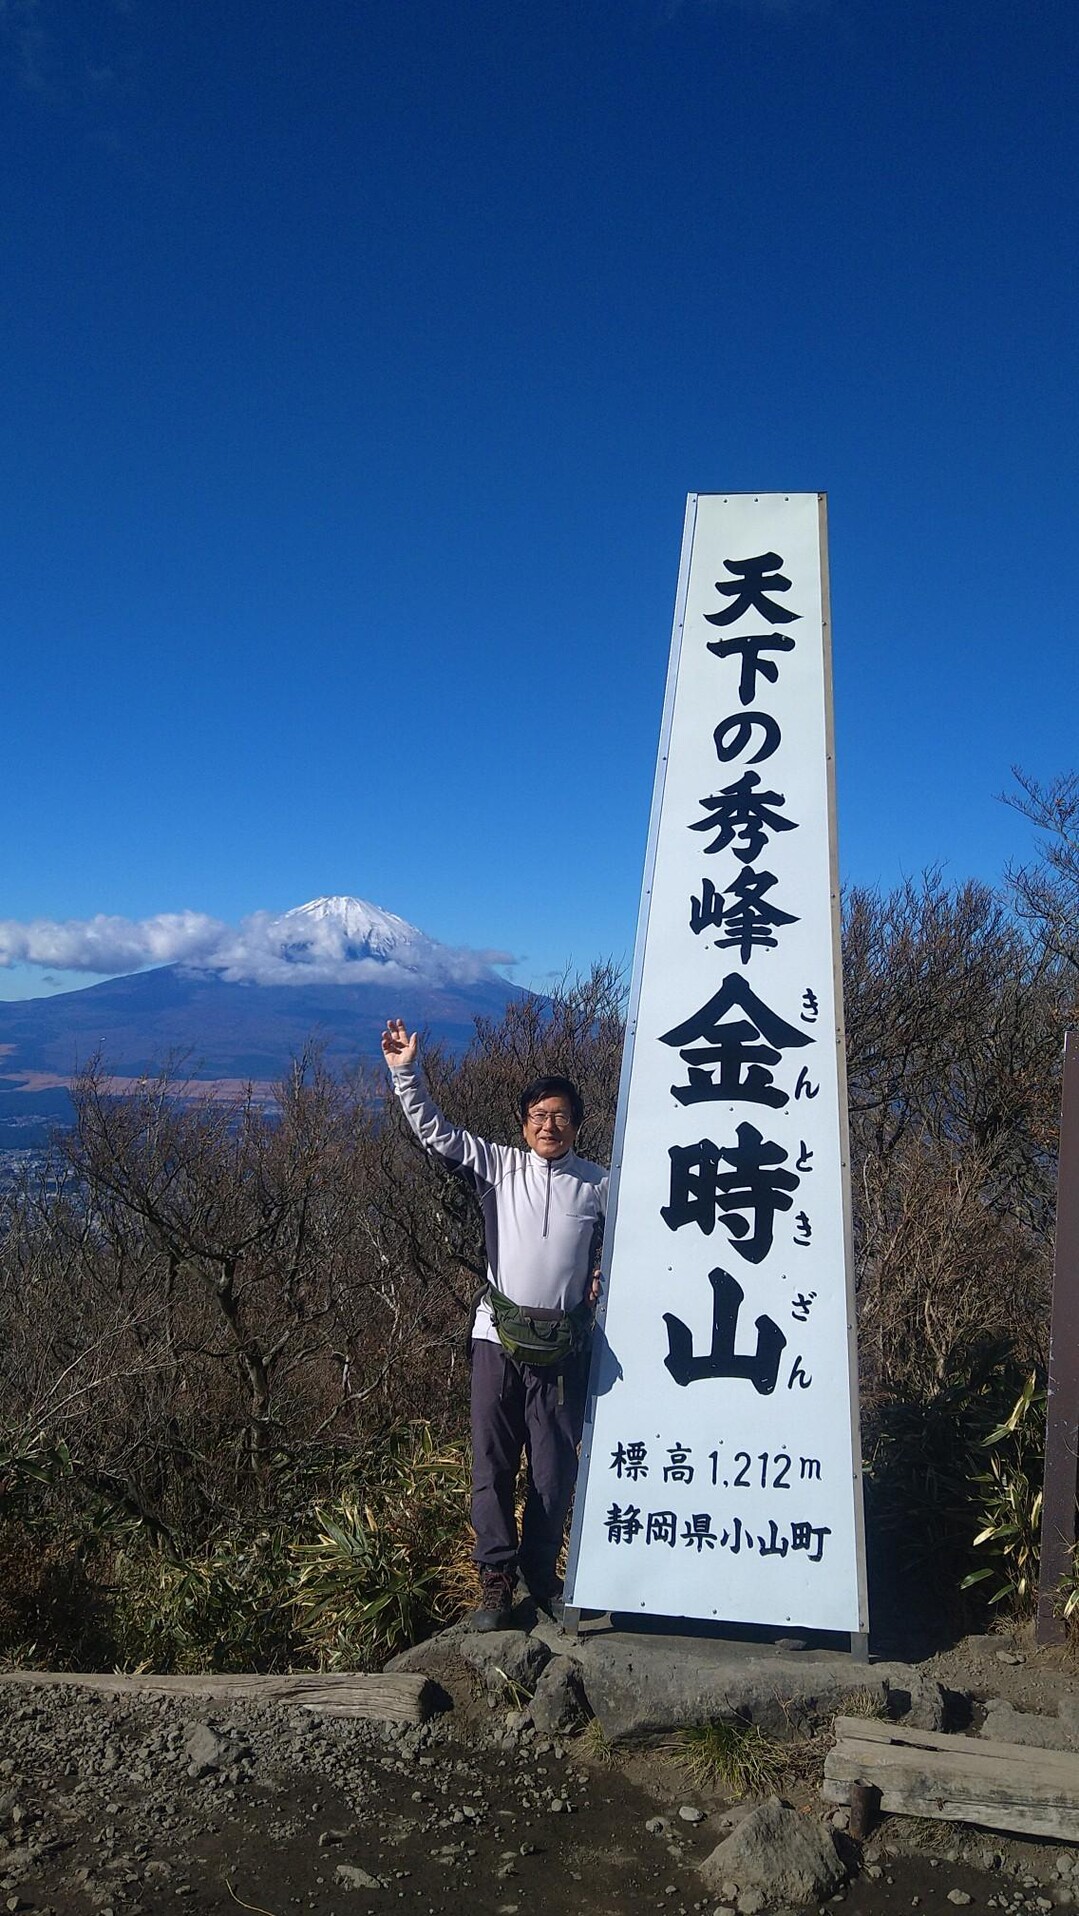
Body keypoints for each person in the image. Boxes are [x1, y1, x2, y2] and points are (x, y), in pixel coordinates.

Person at [381, 1017, 608, 1630]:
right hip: (496, 1340)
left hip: (561, 1349)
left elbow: (637, 1243)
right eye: (538, 1115)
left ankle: (541, 1571)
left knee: (555, 1471)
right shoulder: (498, 1167)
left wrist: (602, 1281)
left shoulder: (599, 1186)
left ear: (577, 1123)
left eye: (560, 1116)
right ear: (523, 1123)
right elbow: (436, 1131)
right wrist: (405, 1073)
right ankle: (496, 1578)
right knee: (492, 1461)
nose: (548, 1125)